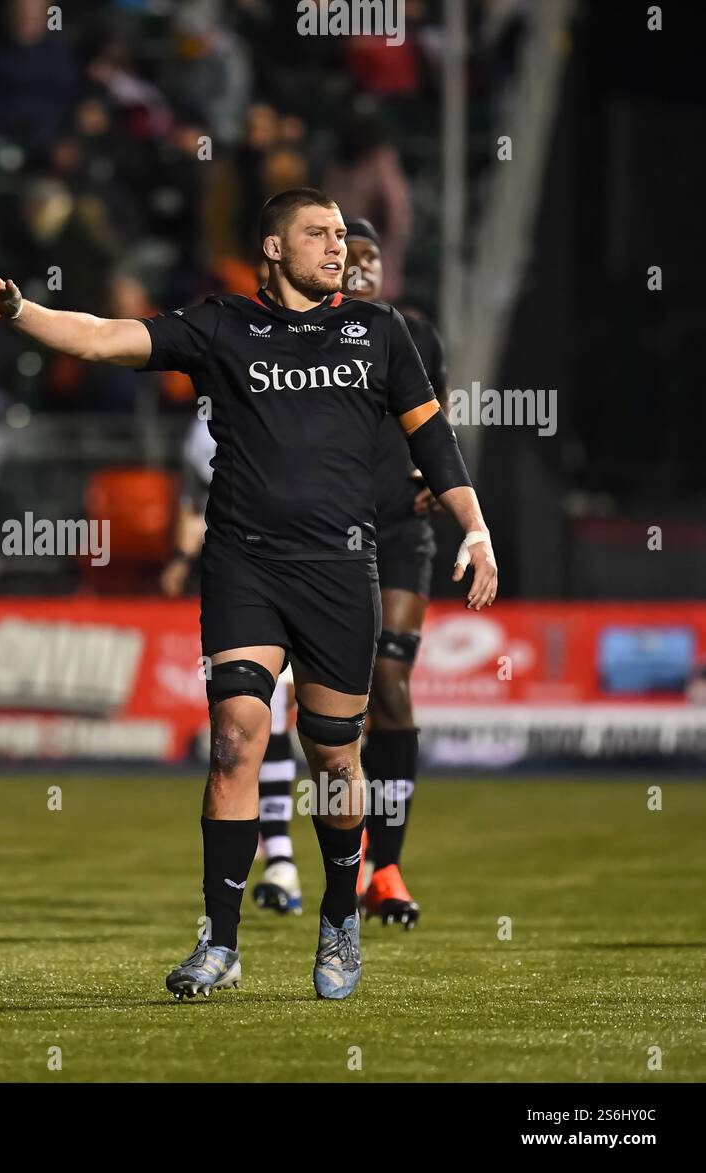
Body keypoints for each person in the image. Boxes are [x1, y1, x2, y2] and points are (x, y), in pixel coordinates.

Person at [0, 187, 497, 1001]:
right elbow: (105, 339)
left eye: (343, 234)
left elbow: (432, 435)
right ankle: (220, 940)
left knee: (335, 755)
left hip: (341, 570)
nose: (337, 246)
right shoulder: (222, 325)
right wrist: (21, 310)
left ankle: (341, 917)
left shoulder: (381, 332)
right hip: (244, 562)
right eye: (318, 232)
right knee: (236, 739)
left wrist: (477, 527)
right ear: (273, 248)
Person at [343, 216, 448, 929]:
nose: (359, 265)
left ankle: (388, 866)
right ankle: (341, 856)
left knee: (391, 681)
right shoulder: (297, 338)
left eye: (370, 254)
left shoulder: (414, 335)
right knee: (336, 704)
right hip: (327, 536)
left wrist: (442, 478)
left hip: (403, 531)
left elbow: (434, 422)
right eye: (345, 254)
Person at [161, 417, 303, 915]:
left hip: (314, 568)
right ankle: (280, 861)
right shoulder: (202, 429)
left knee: (332, 732)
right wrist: (182, 557)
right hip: (243, 584)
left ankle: (352, 874)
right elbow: (195, 502)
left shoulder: (296, 388)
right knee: (251, 718)